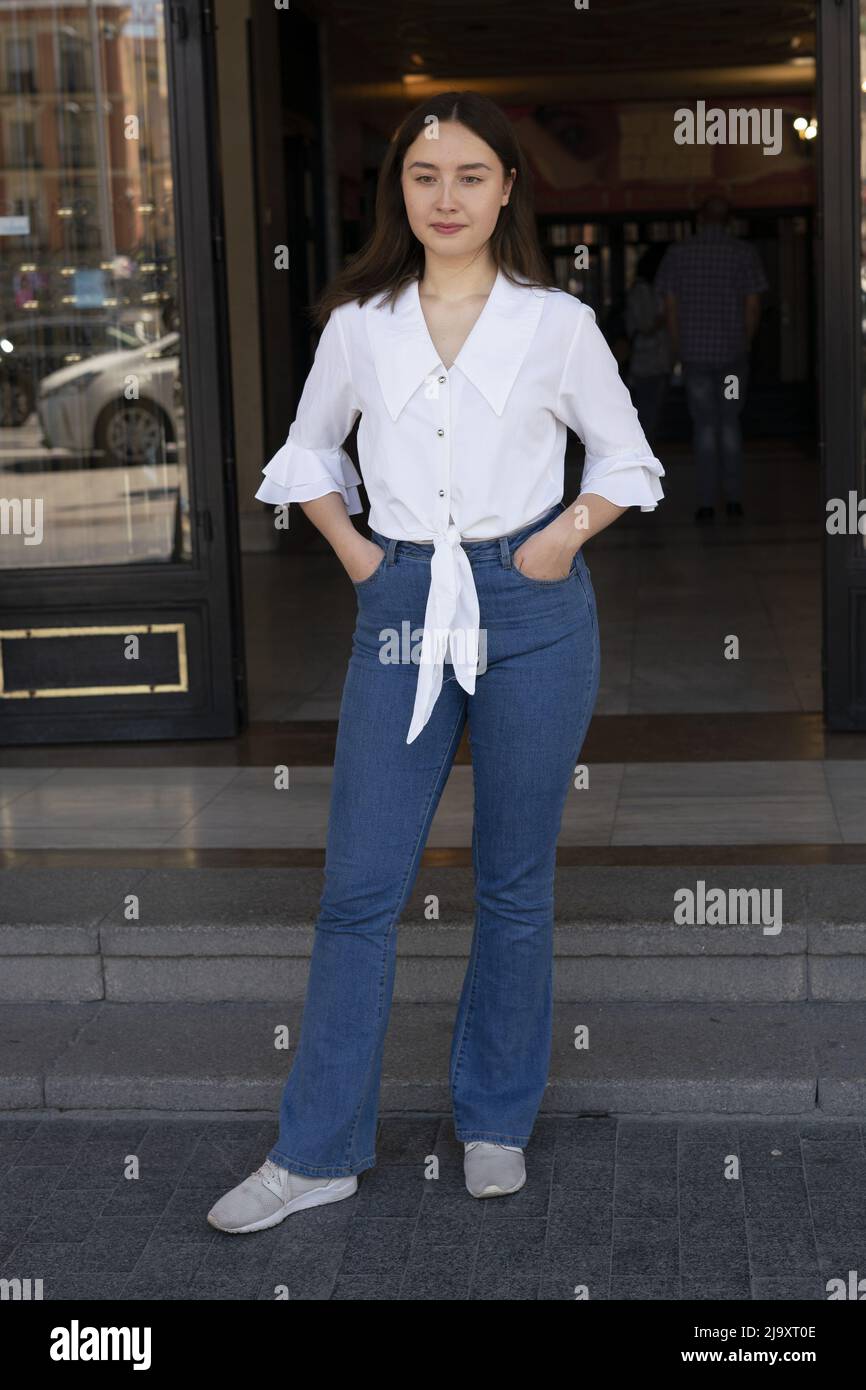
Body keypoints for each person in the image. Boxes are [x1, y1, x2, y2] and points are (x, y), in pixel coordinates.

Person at [208, 90, 664, 1235]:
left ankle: (496, 1121)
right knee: (358, 888)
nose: (446, 196)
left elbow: (628, 463)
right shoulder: (359, 323)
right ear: (396, 192)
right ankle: (314, 1152)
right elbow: (306, 454)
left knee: (513, 884)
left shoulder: (554, 321)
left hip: (533, 607)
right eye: (423, 176)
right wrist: (363, 560)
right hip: (403, 600)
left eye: (469, 174)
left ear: (507, 187)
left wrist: (556, 540)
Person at [654, 194, 767, 522]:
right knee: (729, 423)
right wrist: (744, 342)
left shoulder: (679, 254)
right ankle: (733, 499)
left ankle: (705, 502)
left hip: (695, 356)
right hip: (732, 357)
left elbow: (670, 308)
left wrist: (678, 348)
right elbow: (753, 306)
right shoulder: (743, 253)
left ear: (700, 219)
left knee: (703, 426)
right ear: (728, 220)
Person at [625, 244, 672, 445]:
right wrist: (669, 315)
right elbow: (646, 325)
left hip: (655, 361)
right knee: (647, 414)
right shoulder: (643, 290)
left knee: (649, 413)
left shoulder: (650, 290)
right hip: (647, 362)